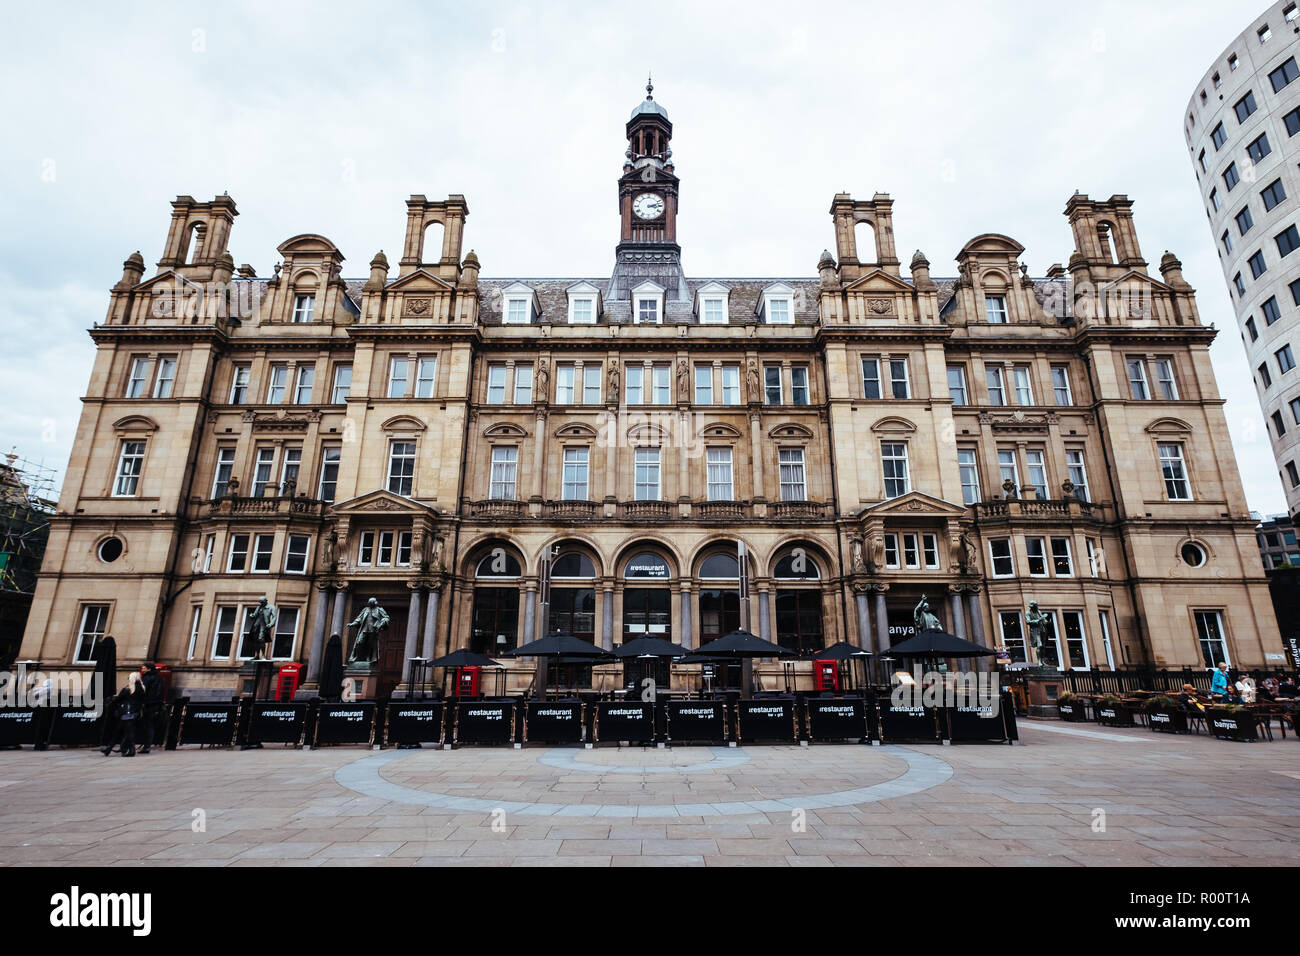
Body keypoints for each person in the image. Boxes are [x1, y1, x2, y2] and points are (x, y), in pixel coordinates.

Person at [108, 675, 144, 757]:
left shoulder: (128, 689)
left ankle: (131, 750)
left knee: (124, 731)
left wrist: (112, 701)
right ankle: (114, 748)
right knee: (127, 731)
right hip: (136, 712)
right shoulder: (141, 688)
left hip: (127, 712)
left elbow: (119, 698)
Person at [139, 664, 164, 754]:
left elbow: (144, 691)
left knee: (148, 725)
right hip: (152, 704)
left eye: (144, 668)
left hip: (148, 705)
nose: (142, 669)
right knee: (148, 725)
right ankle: (146, 745)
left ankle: (146, 746)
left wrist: (144, 702)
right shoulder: (157, 677)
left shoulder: (148, 678)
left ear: (149, 669)